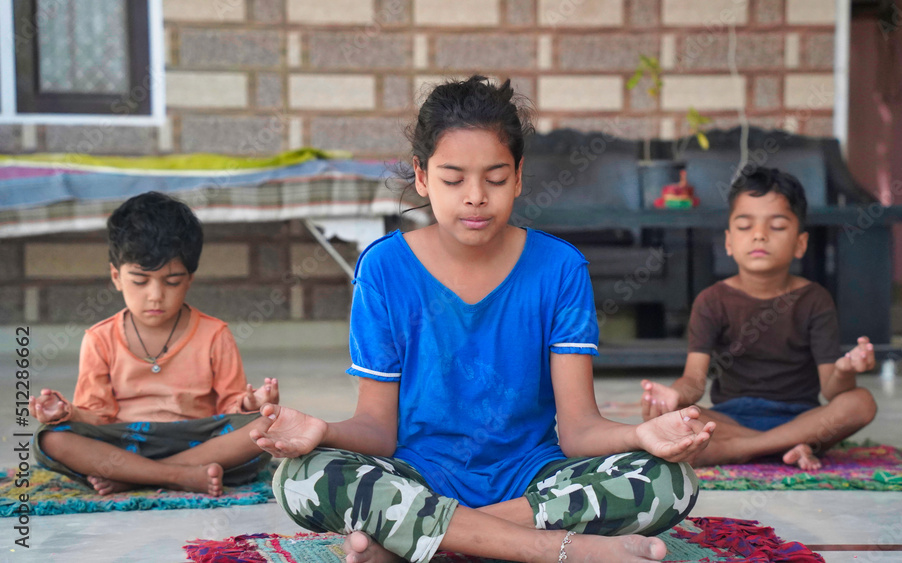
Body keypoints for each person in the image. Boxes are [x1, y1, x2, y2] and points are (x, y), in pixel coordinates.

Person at [250, 75, 716, 563]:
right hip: (420, 477)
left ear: (517, 176)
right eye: (453, 179)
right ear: (422, 176)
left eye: (495, 179)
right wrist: (320, 431)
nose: (475, 196)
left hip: (529, 479)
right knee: (301, 477)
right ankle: (560, 549)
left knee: (670, 480)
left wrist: (638, 436)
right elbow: (376, 429)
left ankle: (423, 540)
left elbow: (578, 431)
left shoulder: (559, 268)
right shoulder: (384, 269)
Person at [28, 192, 279, 497]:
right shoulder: (99, 338)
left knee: (264, 426)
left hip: (196, 438)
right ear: (116, 276)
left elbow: (230, 408)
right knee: (50, 438)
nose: (156, 295)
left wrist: (250, 404)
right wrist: (67, 412)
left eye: (172, 281)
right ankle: (178, 475)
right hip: (124, 440)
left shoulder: (215, 334)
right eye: (140, 281)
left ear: (189, 279)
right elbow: (98, 416)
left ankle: (135, 477)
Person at [641, 167, 878, 470]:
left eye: (777, 226)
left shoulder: (814, 299)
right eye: (744, 226)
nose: (759, 235)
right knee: (674, 418)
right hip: (730, 417)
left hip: (802, 418)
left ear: (800, 244)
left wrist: (845, 370)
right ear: (728, 241)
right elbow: (694, 380)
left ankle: (741, 450)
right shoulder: (711, 301)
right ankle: (785, 448)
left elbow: (832, 391)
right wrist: (674, 395)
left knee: (860, 402)